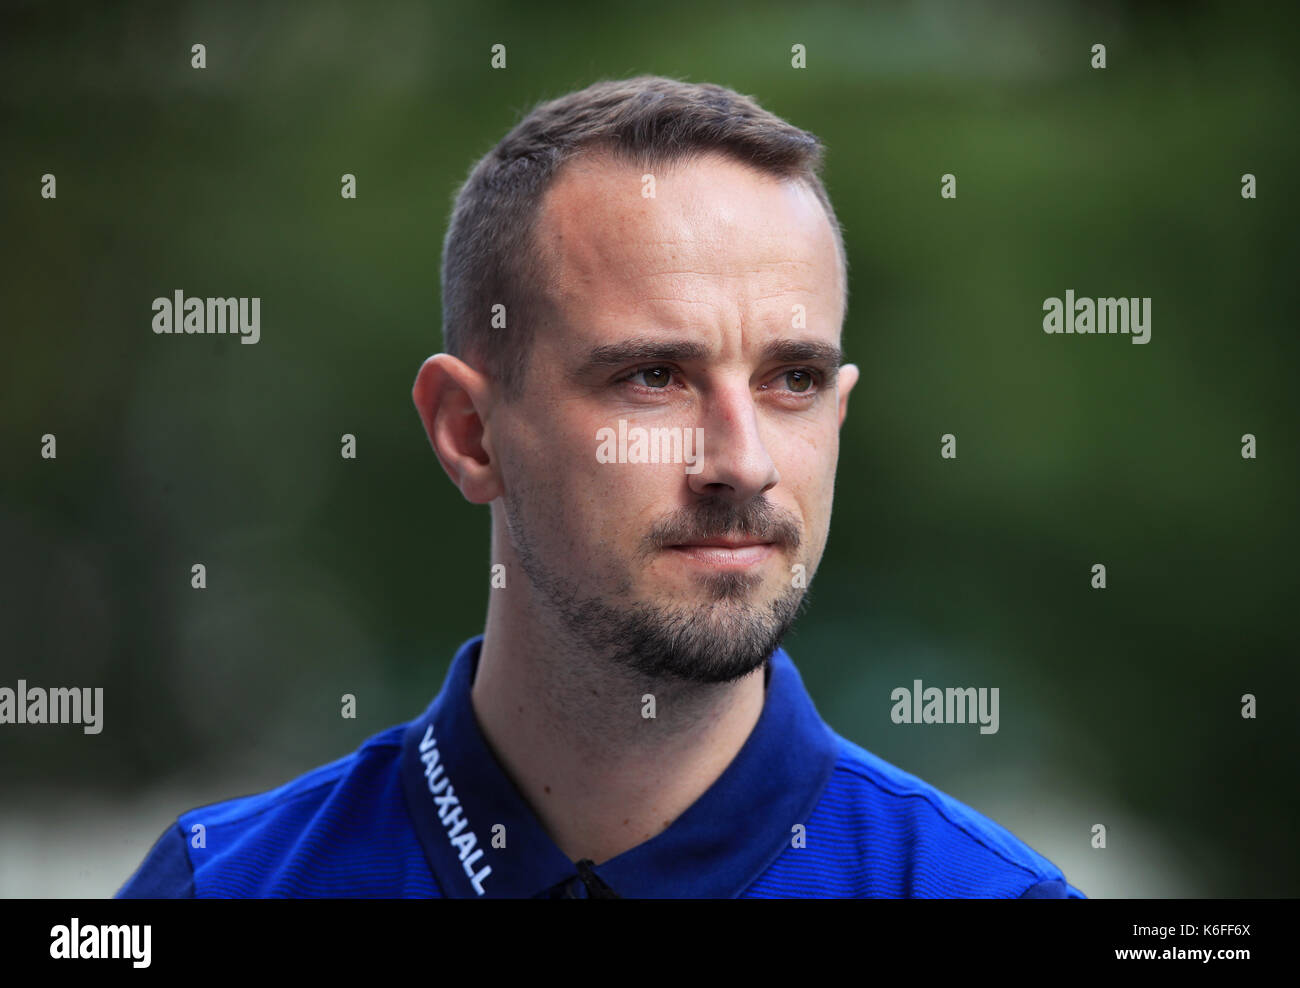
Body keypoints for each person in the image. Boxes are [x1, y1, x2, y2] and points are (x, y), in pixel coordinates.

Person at [118, 75, 1083, 898]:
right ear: (469, 433)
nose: (742, 462)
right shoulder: (225, 886)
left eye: (792, 380)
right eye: (651, 378)